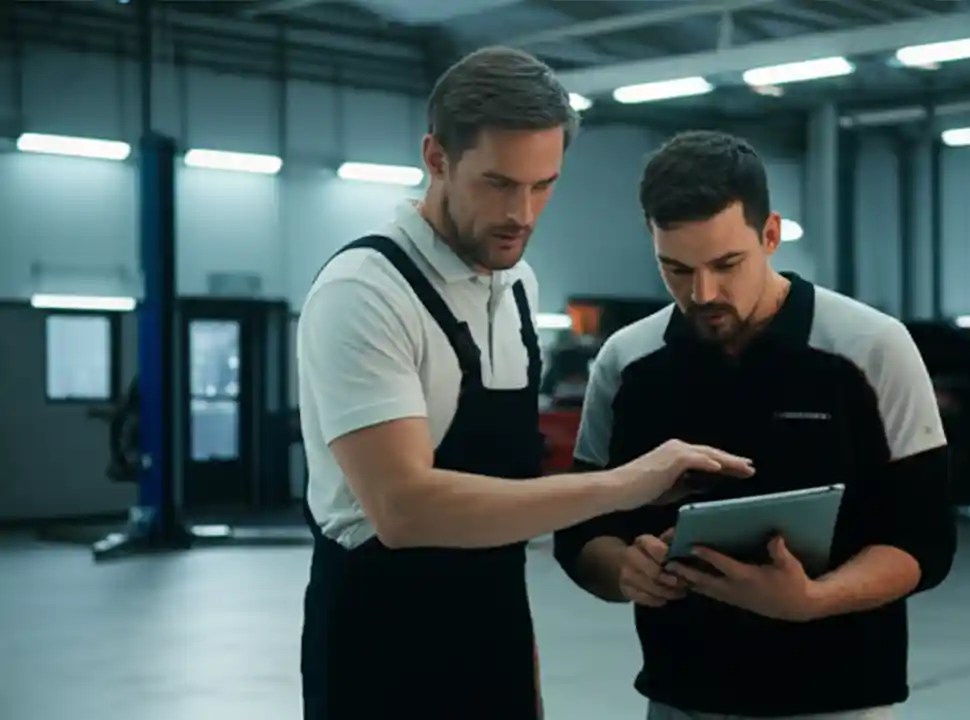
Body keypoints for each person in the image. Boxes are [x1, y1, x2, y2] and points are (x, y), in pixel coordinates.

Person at [295, 50, 753, 720]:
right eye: (499, 183)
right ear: (437, 157)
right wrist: (628, 483)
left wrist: (523, 674)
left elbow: (499, 527)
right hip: (378, 647)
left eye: (544, 185)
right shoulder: (366, 292)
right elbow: (404, 509)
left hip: (493, 628)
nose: (524, 212)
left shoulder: (515, 289)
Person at [554, 130, 957, 719]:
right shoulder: (626, 361)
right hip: (681, 699)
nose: (703, 292)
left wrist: (813, 601)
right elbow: (580, 535)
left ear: (771, 235)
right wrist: (624, 571)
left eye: (727, 264)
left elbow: (925, 541)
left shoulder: (872, 349)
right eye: (676, 268)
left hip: (837, 701)